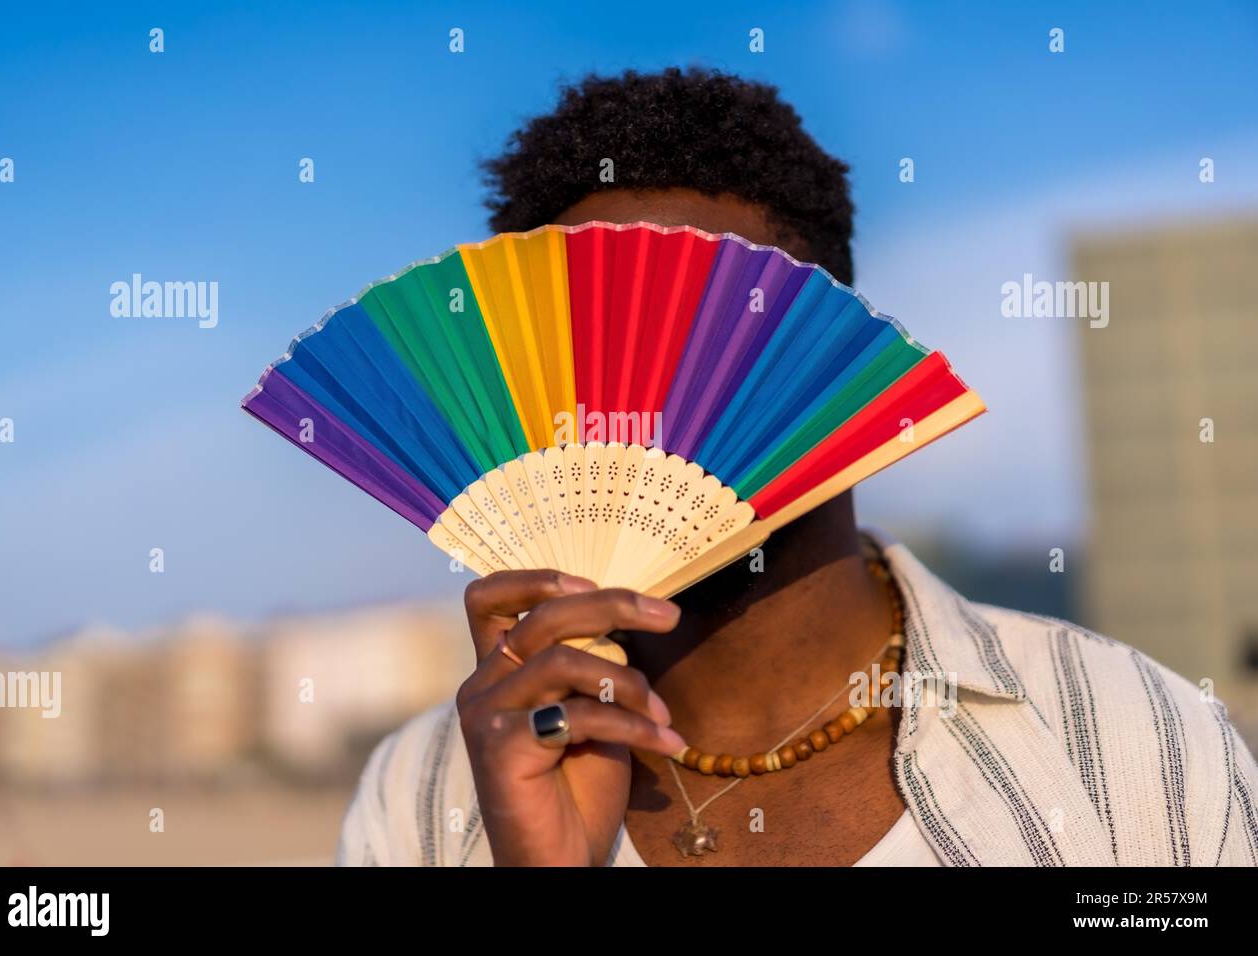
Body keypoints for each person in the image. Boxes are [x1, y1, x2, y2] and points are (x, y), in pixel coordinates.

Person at [338, 67, 1258, 867]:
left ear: (829, 363)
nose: (648, 394)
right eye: (599, 340)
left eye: (708, 327)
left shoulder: (1135, 737)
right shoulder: (424, 793)